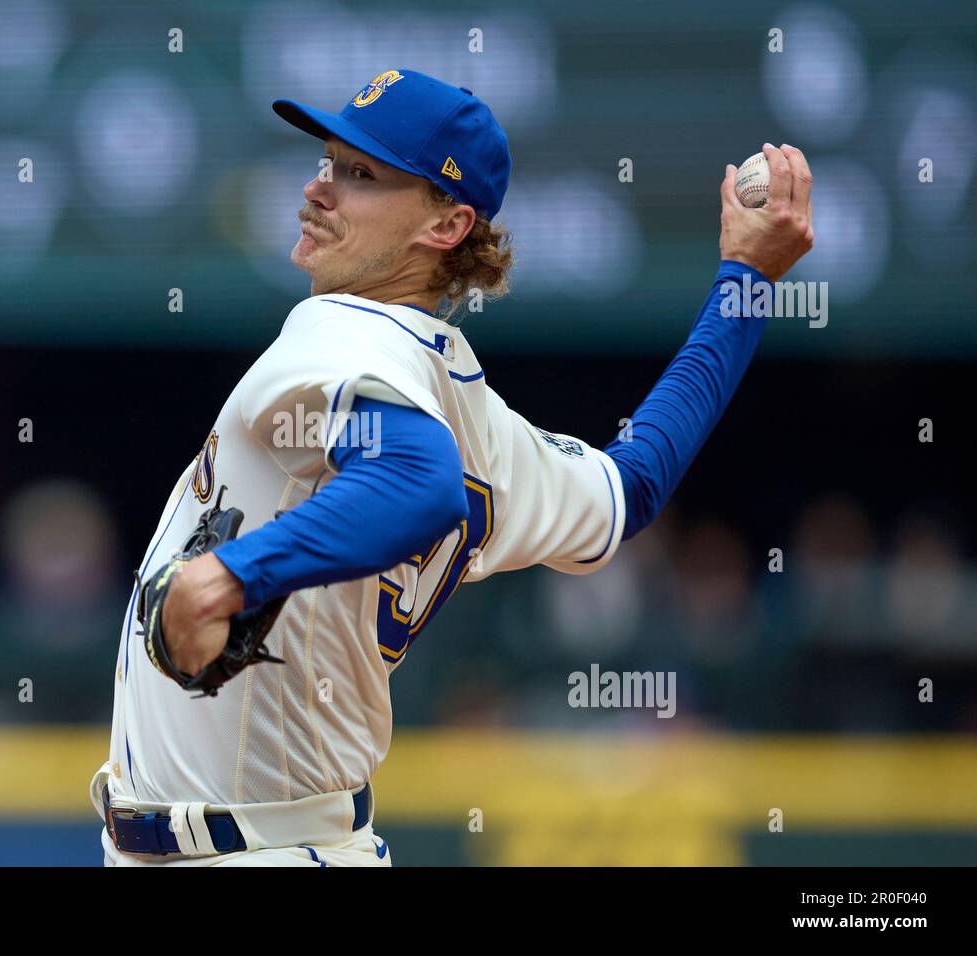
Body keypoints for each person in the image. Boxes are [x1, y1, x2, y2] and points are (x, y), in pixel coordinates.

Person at [89, 68, 814, 866]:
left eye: (361, 175)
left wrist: (231, 577)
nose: (319, 189)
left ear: (447, 224)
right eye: (330, 162)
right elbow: (630, 486)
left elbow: (414, 481)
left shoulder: (342, 332)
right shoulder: (476, 418)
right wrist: (745, 282)